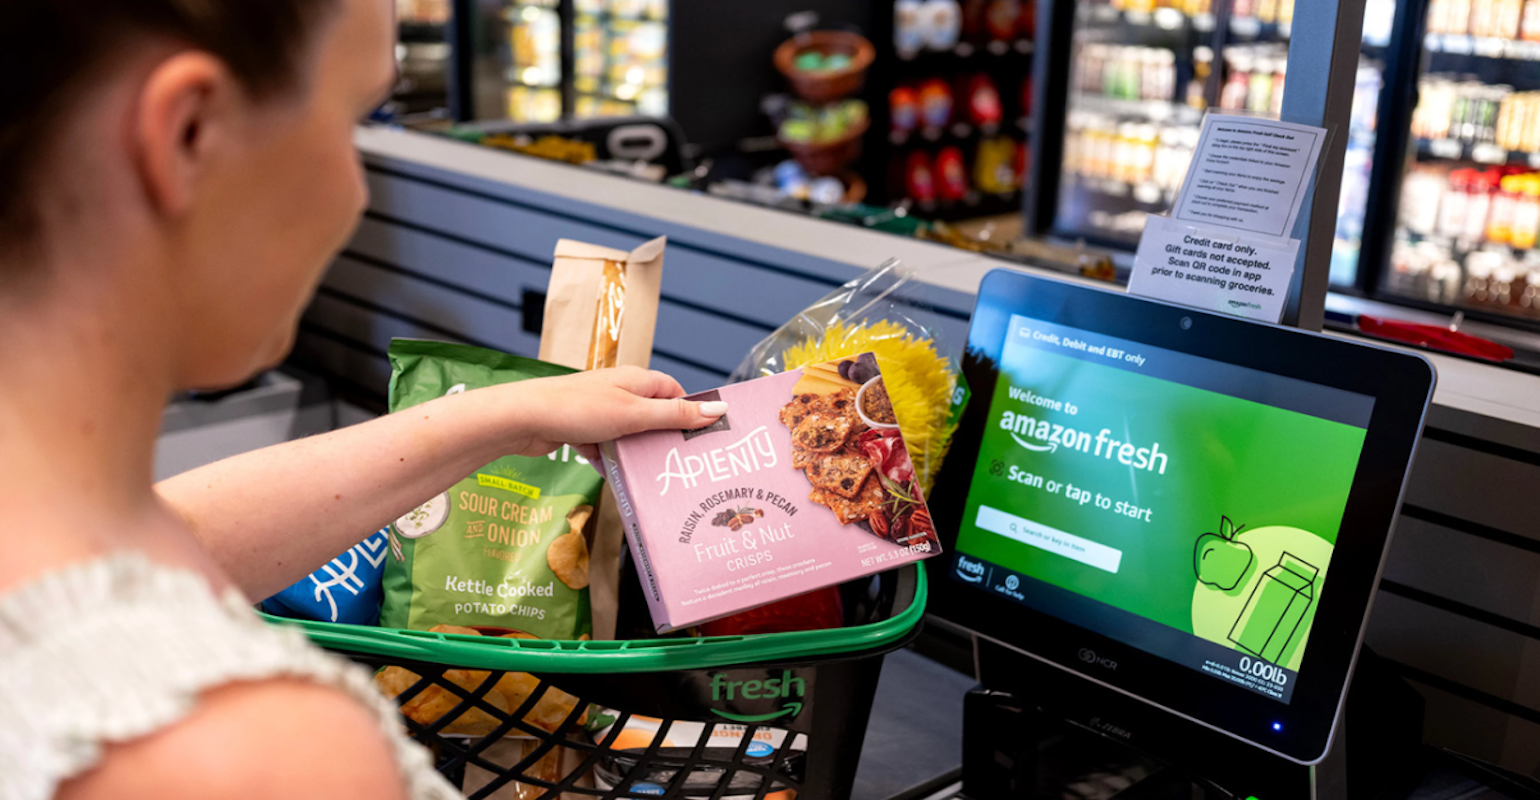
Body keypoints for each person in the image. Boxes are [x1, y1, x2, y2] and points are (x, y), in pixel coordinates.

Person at [0, 2, 726, 798]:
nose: (354, 194)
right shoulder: (255, 755)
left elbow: (172, 538)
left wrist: (507, 414)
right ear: (188, 137)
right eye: (354, 119)